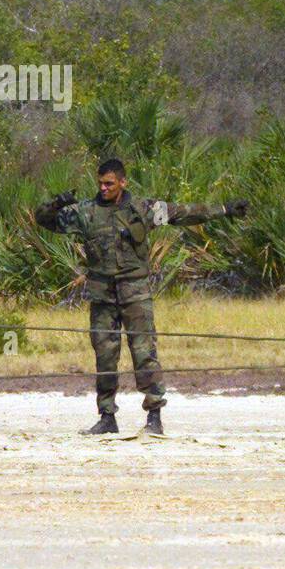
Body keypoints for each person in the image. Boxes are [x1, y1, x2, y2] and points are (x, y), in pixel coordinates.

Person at [34, 157, 248, 435]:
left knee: (145, 354)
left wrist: (225, 209)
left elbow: (183, 213)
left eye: (109, 183)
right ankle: (107, 417)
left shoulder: (143, 210)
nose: (103, 188)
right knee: (105, 356)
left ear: (123, 182)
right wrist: (56, 204)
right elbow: (42, 219)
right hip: (103, 297)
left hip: (135, 293)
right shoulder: (86, 212)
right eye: (100, 183)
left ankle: (154, 417)